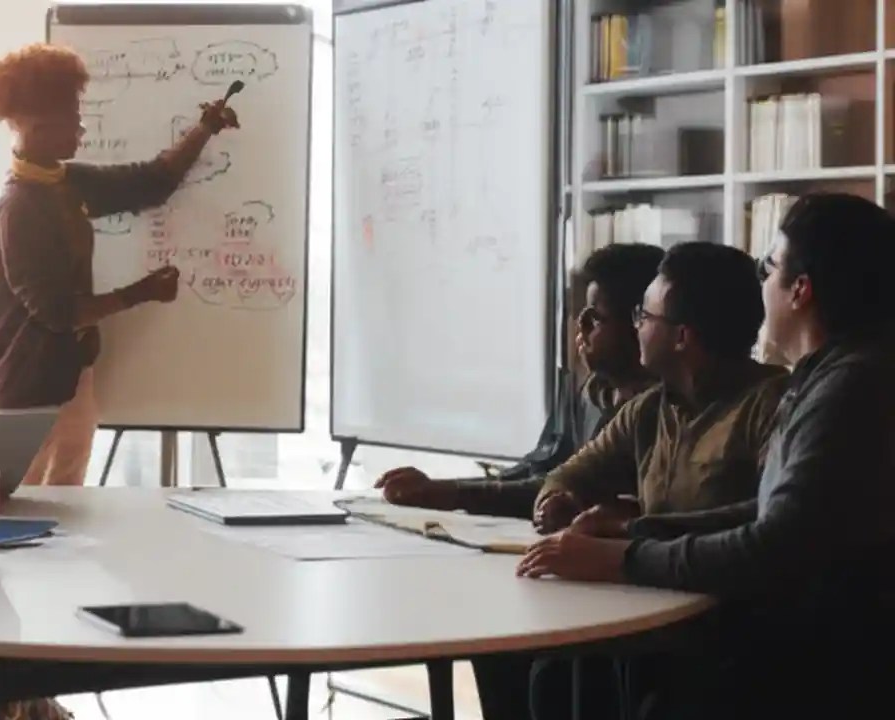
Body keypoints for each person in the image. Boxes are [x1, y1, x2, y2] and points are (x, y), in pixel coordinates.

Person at [518, 193, 895, 718]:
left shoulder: (849, 388)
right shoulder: (830, 378)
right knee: (568, 674)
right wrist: (635, 533)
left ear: (801, 290)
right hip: (804, 642)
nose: (762, 286)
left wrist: (623, 559)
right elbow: (778, 516)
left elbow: (775, 546)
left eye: (770, 269)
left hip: (820, 666)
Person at [0, 43, 240, 487]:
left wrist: (205, 128)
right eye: (73, 119)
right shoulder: (20, 206)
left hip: (67, 380)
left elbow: (152, 182)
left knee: (63, 521)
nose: (81, 129)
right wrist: (142, 292)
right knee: (18, 525)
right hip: (24, 391)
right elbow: (57, 312)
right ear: (40, 126)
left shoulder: (65, 182)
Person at [375, 243, 663, 517]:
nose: (580, 327)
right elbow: (544, 469)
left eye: (596, 319)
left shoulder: (659, 412)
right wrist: (440, 487)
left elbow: (575, 491)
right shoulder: (591, 390)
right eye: (581, 315)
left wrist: (447, 493)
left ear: (640, 324)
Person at [532, 241, 787, 536]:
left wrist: (631, 529)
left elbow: (771, 518)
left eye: (644, 316)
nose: (636, 326)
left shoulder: (774, 405)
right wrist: (555, 501)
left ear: (681, 337)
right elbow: (570, 475)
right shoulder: (649, 408)